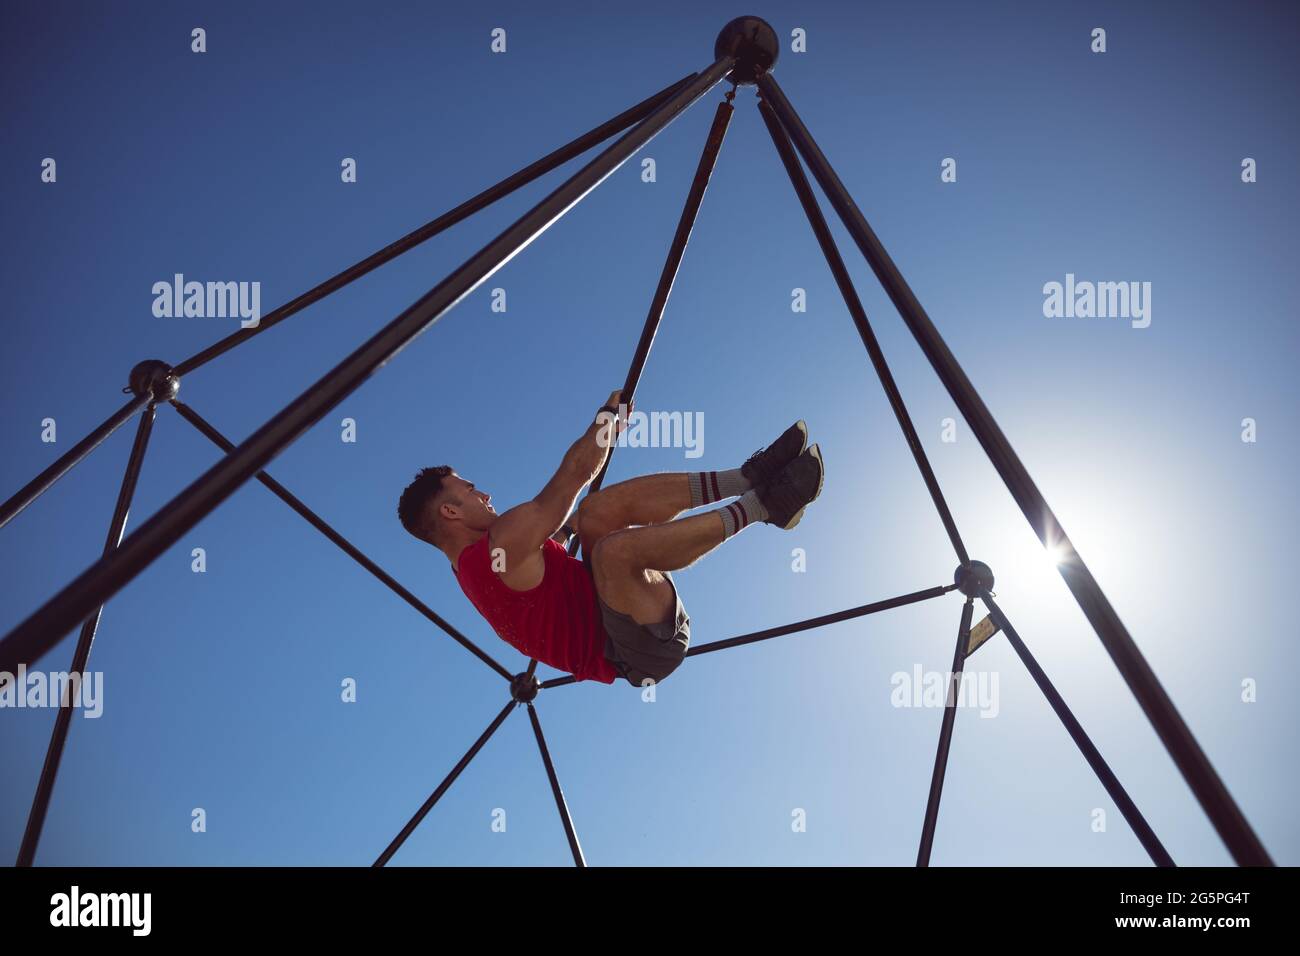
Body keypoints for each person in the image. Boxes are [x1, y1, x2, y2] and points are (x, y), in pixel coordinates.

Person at [397, 391, 824, 687]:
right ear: (449, 511)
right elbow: (572, 478)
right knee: (610, 551)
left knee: (592, 514)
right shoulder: (496, 549)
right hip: (637, 651)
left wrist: (567, 530)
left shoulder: (484, 565)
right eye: (469, 489)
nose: (484, 494)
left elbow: (555, 548)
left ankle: (746, 477)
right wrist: (607, 420)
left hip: (617, 604)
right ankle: (763, 506)